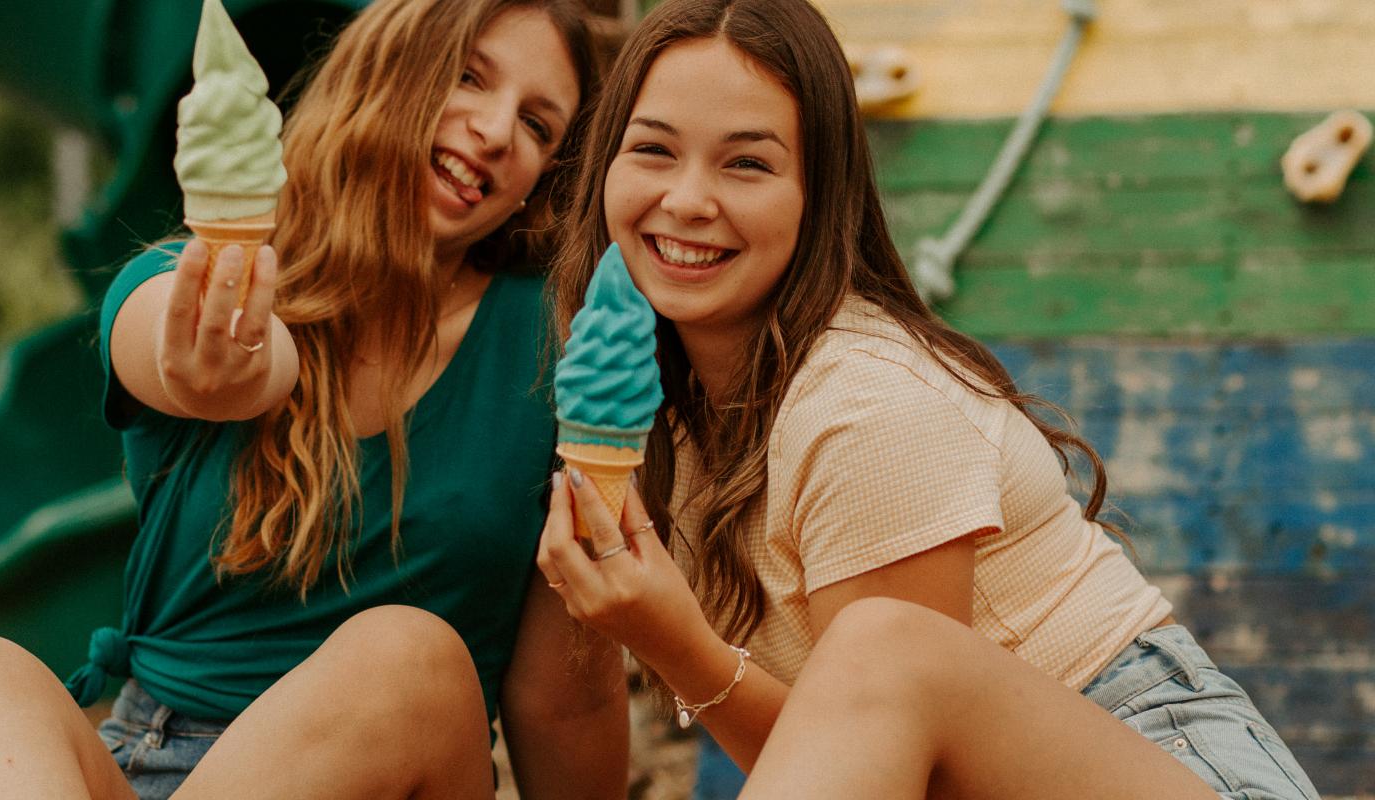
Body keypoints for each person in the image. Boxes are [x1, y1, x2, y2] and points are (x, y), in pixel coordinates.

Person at [537, 0, 1321, 797]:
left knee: (883, 643)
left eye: (746, 164)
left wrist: (679, 646)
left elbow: (900, 773)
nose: (687, 199)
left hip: (1171, 759)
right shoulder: (672, 409)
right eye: (654, 150)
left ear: (819, 194)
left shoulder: (863, 405)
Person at [0, 0, 629, 797]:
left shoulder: (559, 349)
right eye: (468, 77)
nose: (495, 131)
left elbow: (567, 700)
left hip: (402, 777)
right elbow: (195, 355)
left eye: (537, 125)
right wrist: (222, 368)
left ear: (542, 179)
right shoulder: (193, 287)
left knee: (407, 654)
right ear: (382, 74)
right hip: (149, 759)